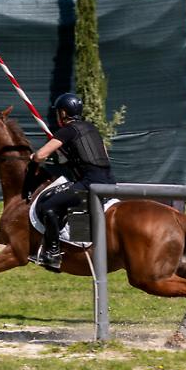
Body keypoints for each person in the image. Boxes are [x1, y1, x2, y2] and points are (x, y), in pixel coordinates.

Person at [27, 92, 117, 270]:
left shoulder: (67, 130)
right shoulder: (92, 128)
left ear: (62, 113)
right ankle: (75, 237)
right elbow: (104, 155)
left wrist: (33, 157)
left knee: (48, 206)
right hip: (109, 183)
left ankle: (52, 253)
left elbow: (41, 155)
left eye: (58, 112)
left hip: (89, 184)